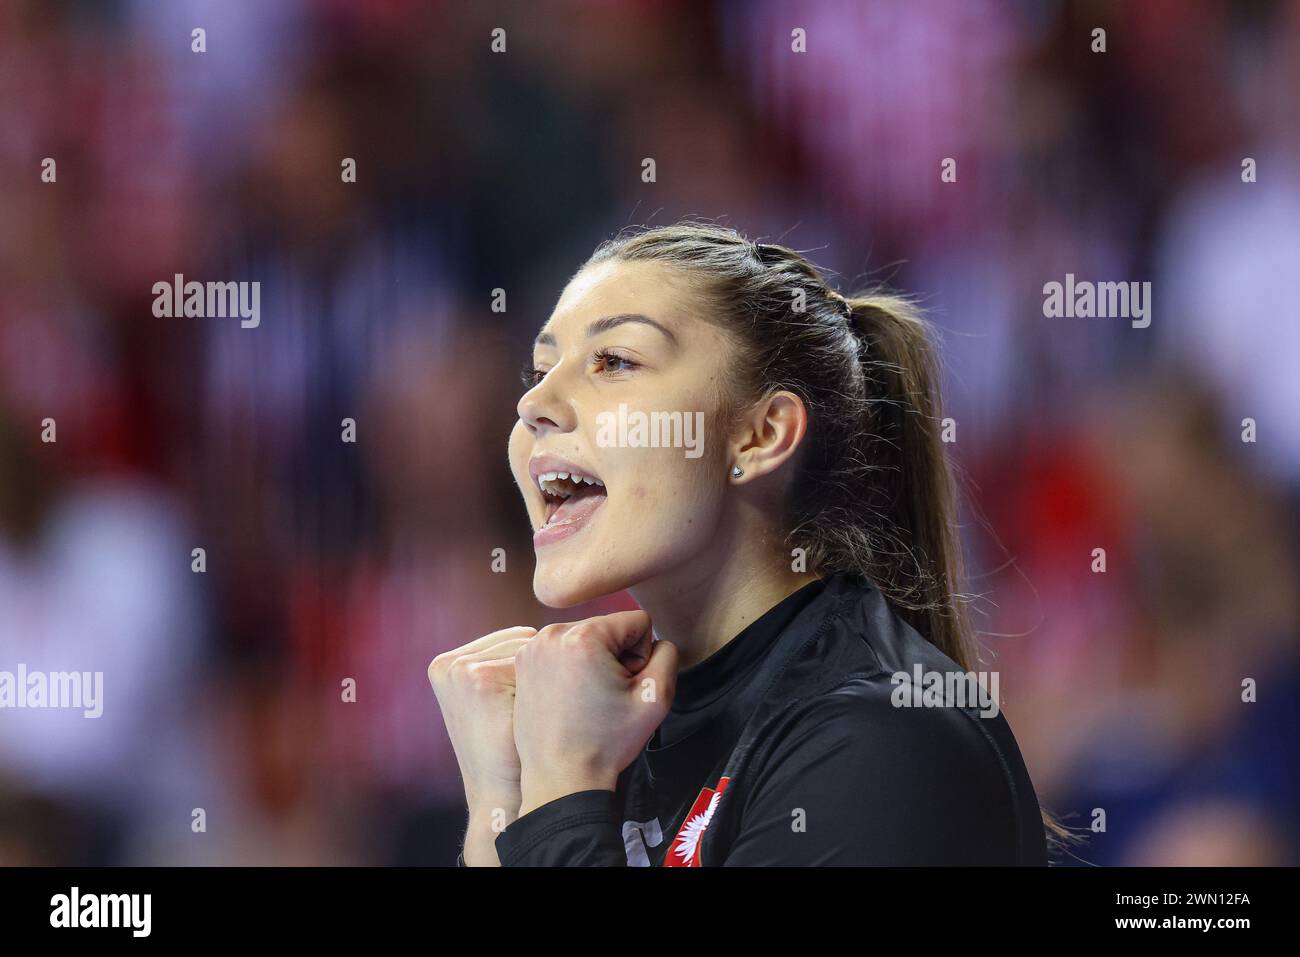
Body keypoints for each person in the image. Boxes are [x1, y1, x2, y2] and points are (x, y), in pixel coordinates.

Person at [429, 222, 1057, 866]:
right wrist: (497, 803)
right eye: (537, 370)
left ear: (761, 436)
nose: (535, 403)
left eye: (614, 361)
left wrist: (560, 787)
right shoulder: (604, 726)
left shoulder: (882, 736)